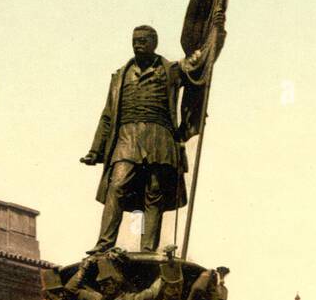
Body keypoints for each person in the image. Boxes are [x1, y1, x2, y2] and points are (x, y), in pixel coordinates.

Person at [81, 21, 222, 252]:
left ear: (154, 44)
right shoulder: (120, 76)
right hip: (127, 137)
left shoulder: (172, 70)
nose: (137, 46)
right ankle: (104, 244)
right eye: (134, 42)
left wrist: (216, 29)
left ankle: (147, 249)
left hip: (160, 137)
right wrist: (96, 150)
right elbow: (108, 114)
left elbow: (200, 65)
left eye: (142, 42)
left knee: (154, 192)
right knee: (116, 186)